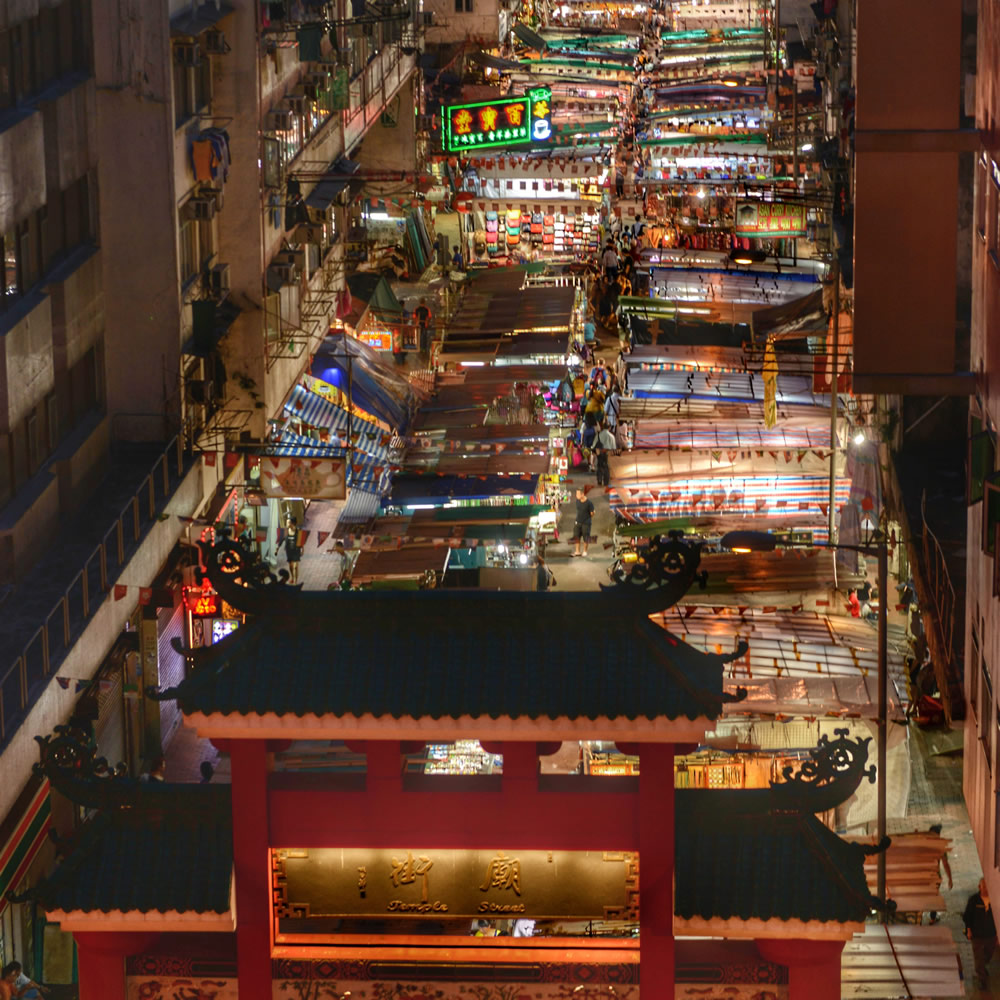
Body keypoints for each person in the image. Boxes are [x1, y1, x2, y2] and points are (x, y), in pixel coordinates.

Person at [964, 878, 997, 989]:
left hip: (991, 935)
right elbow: (967, 917)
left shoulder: (996, 899)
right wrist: (969, 930)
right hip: (977, 936)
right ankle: (982, 980)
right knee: (978, 960)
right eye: (984, 887)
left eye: (988, 887)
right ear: (979, 887)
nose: (986, 889)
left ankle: (983, 965)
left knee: (987, 955)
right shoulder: (974, 900)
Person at [572, 487, 595, 557]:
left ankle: (585, 551)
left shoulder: (589, 503)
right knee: (576, 536)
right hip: (577, 522)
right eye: (576, 494)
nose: (576, 495)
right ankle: (577, 551)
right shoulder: (577, 501)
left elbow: (592, 513)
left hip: (586, 523)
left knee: (586, 537)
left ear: (582, 494)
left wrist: (588, 517)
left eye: (578, 494)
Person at [594, 422, 616, 487]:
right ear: (609, 428)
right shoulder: (612, 436)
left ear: (603, 427)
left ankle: (599, 480)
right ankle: (606, 481)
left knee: (599, 466)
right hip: (607, 453)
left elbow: (594, 445)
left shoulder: (598, 435)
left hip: (599, 452)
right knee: (606, 467)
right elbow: (614, 447)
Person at [284, 518, 302, 584]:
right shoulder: (286, 531)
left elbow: (300, 541)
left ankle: (295, 581)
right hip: (289, 551)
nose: (287, 524)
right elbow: (283, 539)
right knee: (291, 566)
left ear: (292, 523)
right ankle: (292, 577)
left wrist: (302, 549)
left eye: (289, 523)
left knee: (295, 567)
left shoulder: (298, 531)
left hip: (296, 551)